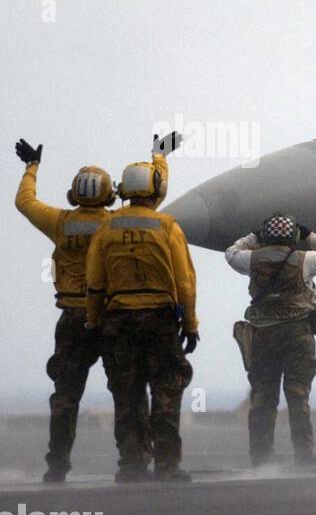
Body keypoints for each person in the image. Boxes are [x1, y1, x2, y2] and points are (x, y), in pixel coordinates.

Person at [85, 132, 198, 482]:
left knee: (127, 395)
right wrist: (190, 323)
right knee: (166, 389)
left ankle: (132, 464)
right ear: (155, 190)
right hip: (160, 322)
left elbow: (94, 283)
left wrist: (93, 322)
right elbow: (185, 283)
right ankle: (167, 464)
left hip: (118, 323)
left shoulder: (106, 227)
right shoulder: (167, 226)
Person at [13, 138, 115, 482]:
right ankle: (134, 460)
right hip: (113, 316)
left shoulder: (60, 222)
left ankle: (57, 465)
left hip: (72, 317)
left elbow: (25, 202)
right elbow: (149, 206)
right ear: (109, 195)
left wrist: (31, 168)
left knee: (65, 396)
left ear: (74, 195)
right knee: (128, 391)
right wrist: (159, 162)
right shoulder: (118, 224)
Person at [225, 213, 316, 466]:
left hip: (263, 335)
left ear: (265, 236)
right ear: (293, 237)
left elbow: (231, 252)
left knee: (263, 396)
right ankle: (304, 454)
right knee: (298, 394)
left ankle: (261, 456)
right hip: (298, 334)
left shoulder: (251, 260)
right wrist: (310, 236)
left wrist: (253, 236)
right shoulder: (306, 260)